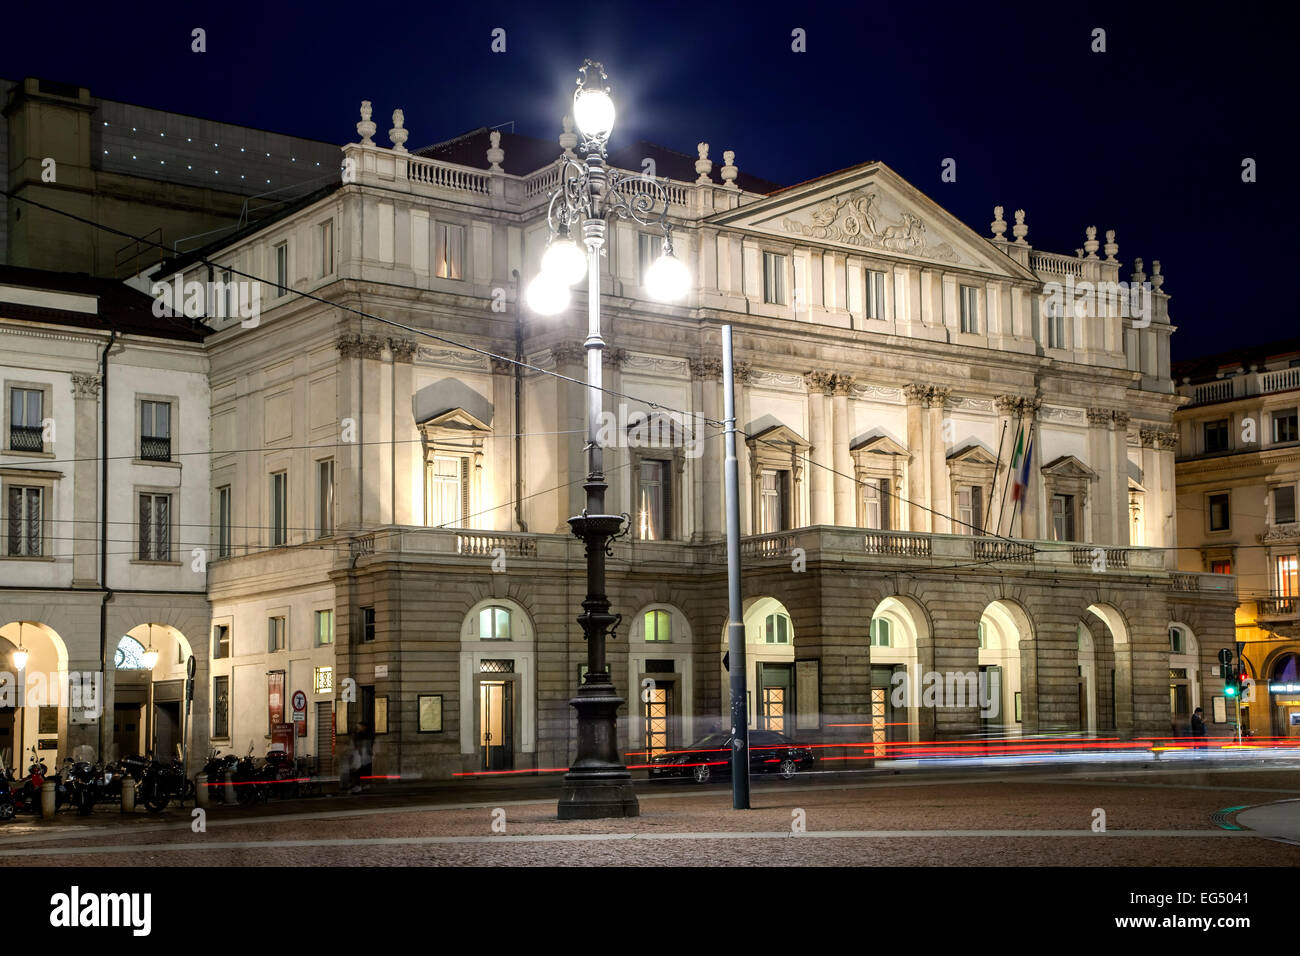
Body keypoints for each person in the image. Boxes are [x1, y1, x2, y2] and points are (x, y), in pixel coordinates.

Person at [350, 722, 374, 793]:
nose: (358, 728)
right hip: (361, 755)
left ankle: (361, 785)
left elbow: (365, 745)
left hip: (363, 755)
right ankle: (362, 785)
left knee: (362, 770)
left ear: (364, 727)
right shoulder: (359, 734)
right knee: (360, 770)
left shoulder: (364, 735)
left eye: (359, 726)